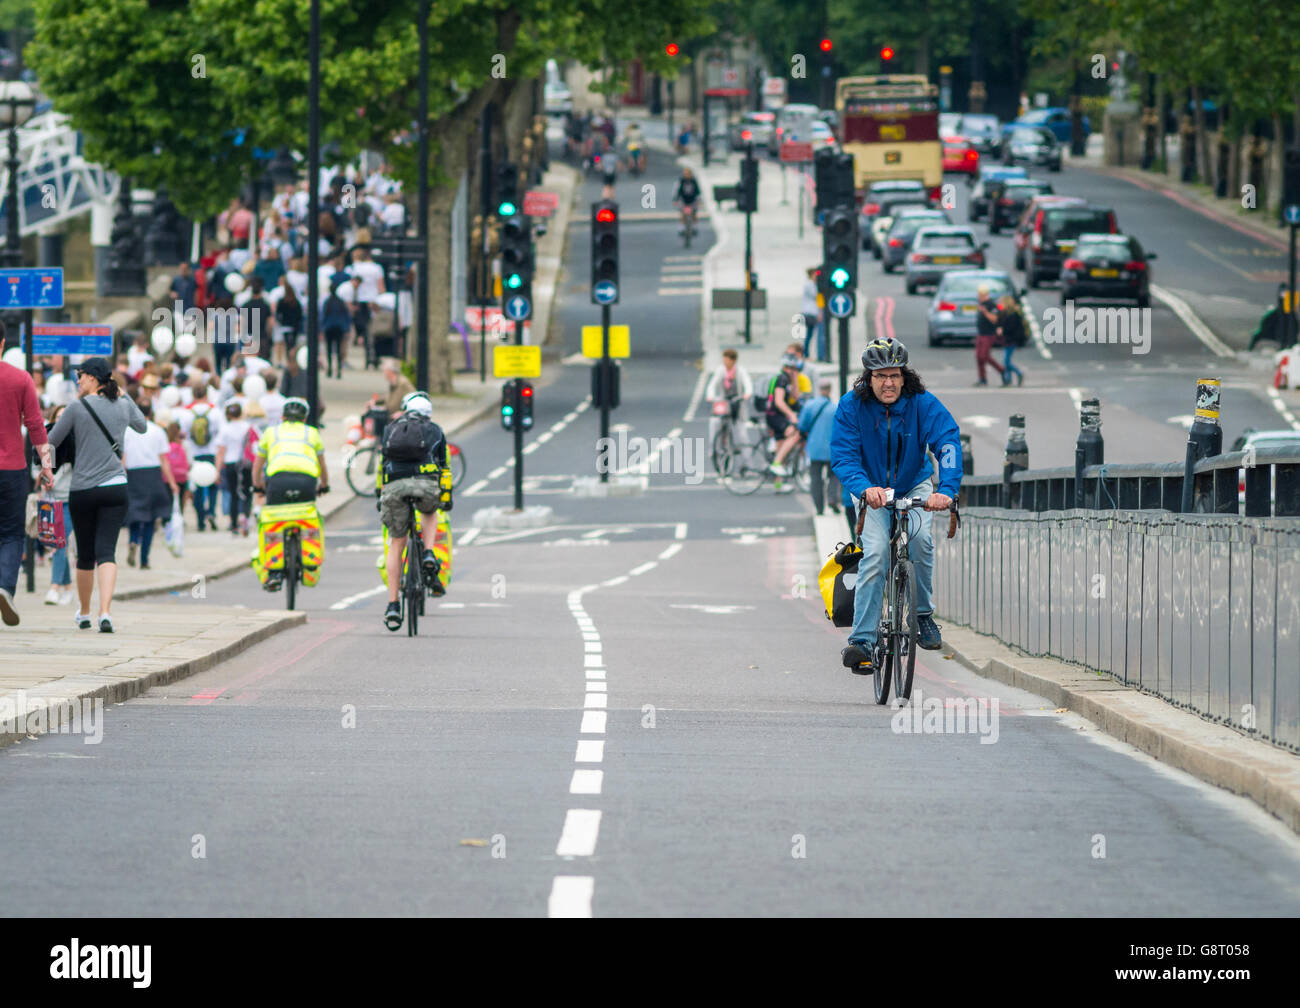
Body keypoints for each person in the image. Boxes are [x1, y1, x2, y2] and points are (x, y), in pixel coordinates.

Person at [831, 338, 961, 671]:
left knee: (920, 540)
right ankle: (862, 639)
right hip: (869, 487)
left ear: (904, 377)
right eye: (880, 376)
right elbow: (844, 456)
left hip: (913, 483)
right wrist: (865, 488)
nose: (888, 383)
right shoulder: (850, 406)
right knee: (874, 554)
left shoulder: (923, 404)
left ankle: (922, 615)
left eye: (894, 375)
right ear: (868, 378)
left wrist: (945, 490)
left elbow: (946, 442)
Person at [47, 358, 147, 633]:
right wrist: (124, 394)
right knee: (107, 552)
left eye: (80, 376)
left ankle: (85, 612)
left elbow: (52, 440)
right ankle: (106, 612)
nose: (77, 381)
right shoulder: (123, 404)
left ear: (92, 378)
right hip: (116, 487)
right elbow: (142, 426)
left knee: (85, 555)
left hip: (83, 489)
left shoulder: (77, 407)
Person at [378, 392, 451, 631]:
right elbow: (444, 469)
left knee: (397, 542)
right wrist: (446, 498)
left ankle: (392, 605)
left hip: (395, 485)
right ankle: (429, 553)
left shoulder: (390, 429)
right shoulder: (436, 431)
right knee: (430, 511)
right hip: (425, 484)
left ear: (405, 409)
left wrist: (381, 496)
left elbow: (383, 466)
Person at [0, 325, 53, 625]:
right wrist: (46, 466)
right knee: (10, 534)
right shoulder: (21, 379)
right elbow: (36, 425)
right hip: (11, 469)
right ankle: (5, 588)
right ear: (3, 343)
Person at [250, 397, 328, 590]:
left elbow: (257, 466)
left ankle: (275, 572)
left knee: (275, 522)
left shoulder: (271, 433)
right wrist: (324, 485)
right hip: (307, 482)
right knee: (307, 516)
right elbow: (322, 465)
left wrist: (258, 486)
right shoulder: (312, 433)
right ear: (304, 418)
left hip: (278, 481)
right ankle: (309, 561)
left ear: (282, 416)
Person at [124, 398, 179, 571]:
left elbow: (122, 458)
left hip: (133, 474)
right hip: (153, 474)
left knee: (134, 513)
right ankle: (144, 559)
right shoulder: (158, 431)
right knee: (150, 518)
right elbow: (164, 460)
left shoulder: (127, 431)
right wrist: (171, 482)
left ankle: (133, 541)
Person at [43, 405, 74, 605]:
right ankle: (68, 587)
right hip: (53, 499)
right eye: (59, 417)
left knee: (59, 542)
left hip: (71, 499)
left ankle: (55, 586)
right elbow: (37, 467)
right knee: (58, 543)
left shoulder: (76, 443)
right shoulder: (49, 445)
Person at [704, 349, 754, 463]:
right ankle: (713, 449)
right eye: (724, 359)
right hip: (724, 403)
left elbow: (748, 384)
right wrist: (710, 396)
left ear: (733, 360)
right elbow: (712, 384)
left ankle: (748, 461)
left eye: (727, 359)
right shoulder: (720, 371)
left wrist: (747, 394)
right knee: (714, 423)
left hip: (737, 404)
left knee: (742, 434)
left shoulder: (740, 371)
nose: (724, 362)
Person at [798, 378, 839, 515]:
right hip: (831, 449)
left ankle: (819, 507)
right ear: (830, 390)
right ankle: (832, 498)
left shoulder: (809, 405)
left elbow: (802, 425)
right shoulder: (835, 408)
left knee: (815, 478)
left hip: (814, 448)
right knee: (834, 475)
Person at [213, 401, 253, 536]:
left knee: (233, 494)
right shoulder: (248, 427)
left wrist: (217, 470)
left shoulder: (225, 429)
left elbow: (220, 452)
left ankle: (234, 523)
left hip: (230, 464)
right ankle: (246, 517)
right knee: (247, 492)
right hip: (246, 463)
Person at [765, 353, 804, 479]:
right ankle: (776, 463)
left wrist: (795, 378)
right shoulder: (782, 379)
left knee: (781, 447)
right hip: (775, 415)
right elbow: (779, 401)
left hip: (774, 415)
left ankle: (778, 484)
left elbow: (795, 397)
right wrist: (791, 415)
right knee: (795, 434)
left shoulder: (786, 378)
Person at [349, 245, 386, 369]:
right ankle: (373, 357)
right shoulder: (377, 268)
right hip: (373, 302)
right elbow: (381, 287)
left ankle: (367, 356)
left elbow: (352, 285)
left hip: (360, 302)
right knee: (373, 331)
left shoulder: (355, 268)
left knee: (363, 331)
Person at [973, 284, 1005, 387]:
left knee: (984, 356)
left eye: (980, 295)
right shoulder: (981, 304)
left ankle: (1001, 370)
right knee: (978, 357)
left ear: (984, 294)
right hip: (981, 333)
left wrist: (985, 312)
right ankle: (982, 379)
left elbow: (994, 319)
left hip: (989, 334)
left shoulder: (991, 305)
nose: (979, 297)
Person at [322, 281, 353, 378]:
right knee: (339, 349)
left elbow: (323, 316)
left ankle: (330, 369)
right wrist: (347, 328)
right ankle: (338, 370)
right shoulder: (340, 302)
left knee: (329, 349)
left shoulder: (327, 302)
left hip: (329, 327)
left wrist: (322, 328)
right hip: (339, 327)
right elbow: (346, 316)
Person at [996, 295, 1026, 386]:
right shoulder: (1004, 313)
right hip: (1007, 340)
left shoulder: (1013, 315)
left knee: (1005, 361)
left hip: (1012, 340)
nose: (1000, 305)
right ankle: (1008, 379)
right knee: (1006, 360)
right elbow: (999, 322)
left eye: (1002, 303)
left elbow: (1011, 328)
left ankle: (1018, 373)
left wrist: (1002, 330)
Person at [801, 268, 828, 363]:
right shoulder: (810, 285)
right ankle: (805, 354)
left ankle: (806, 354)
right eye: (815, 275)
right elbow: (816, 295)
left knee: (809, 334)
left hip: (810, 312)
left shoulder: (810, 284)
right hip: (810, 313)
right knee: (809, 335)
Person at [672, 168, 700, 236]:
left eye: (688, 173)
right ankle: (682, 228)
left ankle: (695, 227)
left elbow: (697, 192)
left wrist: (699, 200)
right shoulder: (681, 181)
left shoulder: (694, 181)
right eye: (685, 174)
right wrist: (675, 200)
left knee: (694, 214)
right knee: (682, 214)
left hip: (692, 200)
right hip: (683, 200)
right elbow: (676, 191)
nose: (687, 175)